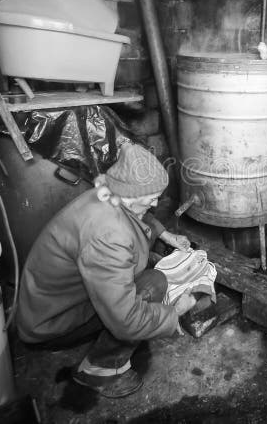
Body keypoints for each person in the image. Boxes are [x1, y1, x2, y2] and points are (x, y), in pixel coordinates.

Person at [16, 143, 197, 398]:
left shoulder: (108, 194)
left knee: (150, 262)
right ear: (129, 194)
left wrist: (167, 236)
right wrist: (173, 314)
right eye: (152, 197)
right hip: (51, 323)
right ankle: (99, 372)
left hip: (52, 302)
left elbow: (139, 217)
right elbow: (127, 321)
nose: (156, 203)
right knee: (154, 283)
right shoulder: (108, 234)